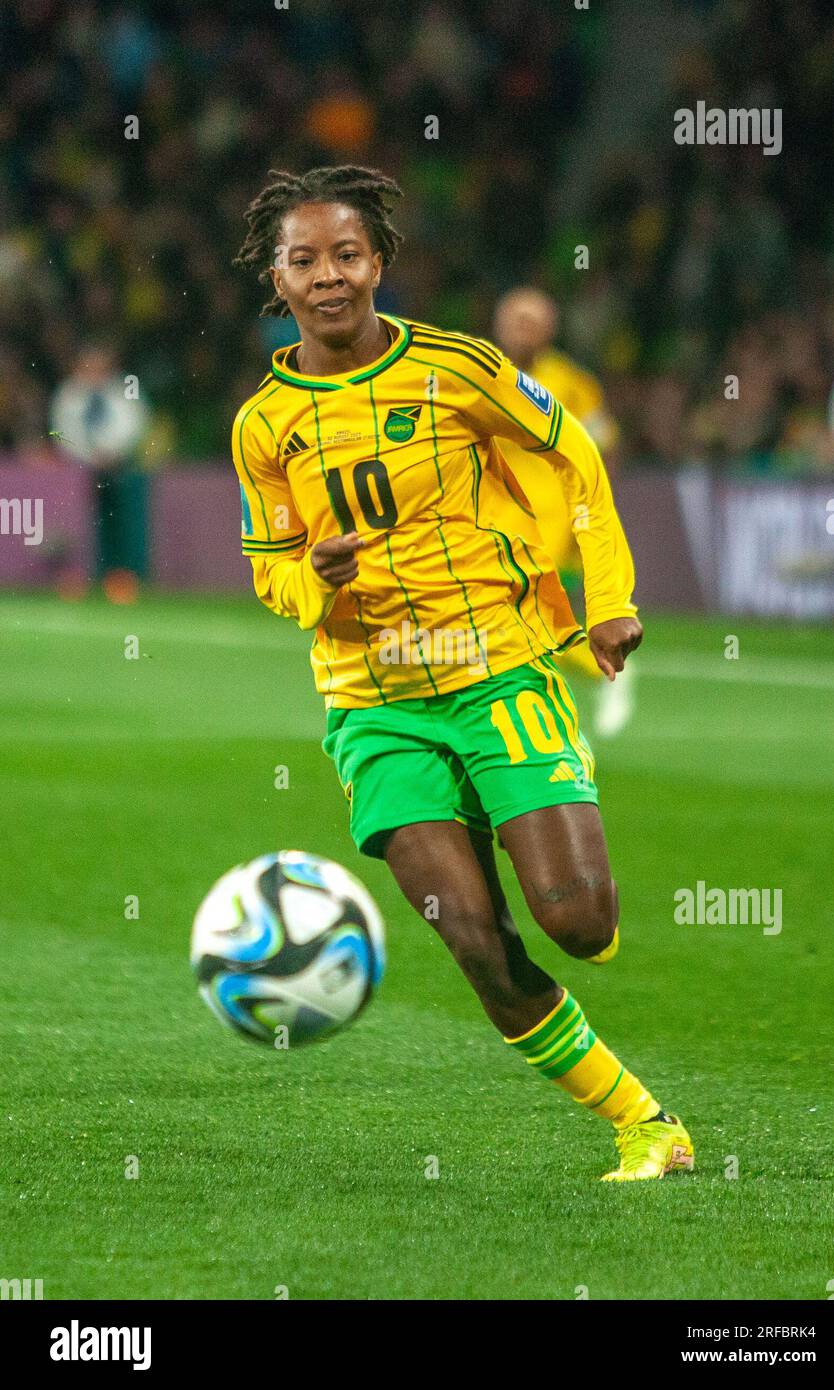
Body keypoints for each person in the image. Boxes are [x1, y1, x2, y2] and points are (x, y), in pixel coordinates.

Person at [231, 165, 693, 1181]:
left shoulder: (457, 365)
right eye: (304, 261)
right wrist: (312, 578)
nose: (328, 276)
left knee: (576, 922)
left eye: (345, 255)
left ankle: (524, 829)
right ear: (277, 280)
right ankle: (645, 1125)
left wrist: (608, 595)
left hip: (496, 673)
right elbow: (267, 569)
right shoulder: (263, 424)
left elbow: (573, 452)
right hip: (375, 704)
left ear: (378, 263)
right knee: (476, 943)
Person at [492, 287, 634, 737]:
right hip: (500, 513)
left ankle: (597, 673)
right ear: (499, 326)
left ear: (549, 331)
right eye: (517, 321)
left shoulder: (572, 384)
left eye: (532, 323)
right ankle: (601, 667)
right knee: (520, 618)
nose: (524, 332)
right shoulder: (482, 375)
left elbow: (604, 445)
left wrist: (592, 509)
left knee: (525, 607)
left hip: (555, 512)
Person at [49, 343, 150, 602]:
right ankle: (77, 576)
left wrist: (111, 452)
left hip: (118, 468)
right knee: (78, 522)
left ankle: (118, 577)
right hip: (80, 469)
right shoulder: (70, 394)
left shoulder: (123, 390)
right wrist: (87, 455)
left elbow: (135, 425)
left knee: (118, 523)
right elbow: (62, 430)